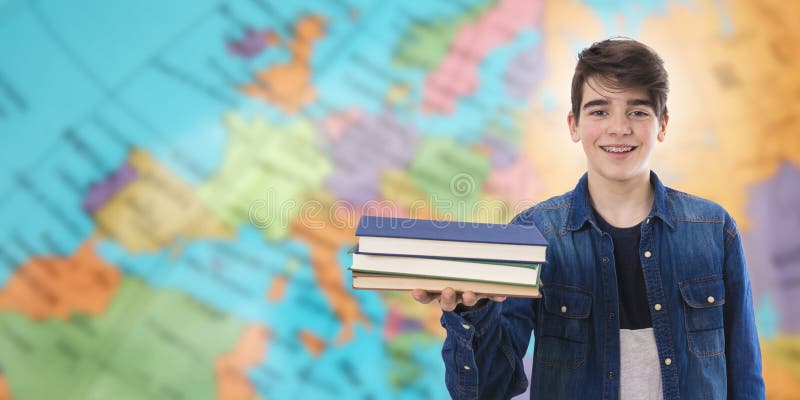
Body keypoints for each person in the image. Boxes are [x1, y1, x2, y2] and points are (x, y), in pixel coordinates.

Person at [411, 38, 765, 399]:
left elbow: (746, 380)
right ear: (573, 124)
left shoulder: (714, 230)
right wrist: (474, 314)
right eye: (599, 111)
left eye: (637, 111)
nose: (618, 127)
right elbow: (487, 389)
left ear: (662, 124)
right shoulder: (533, 236)